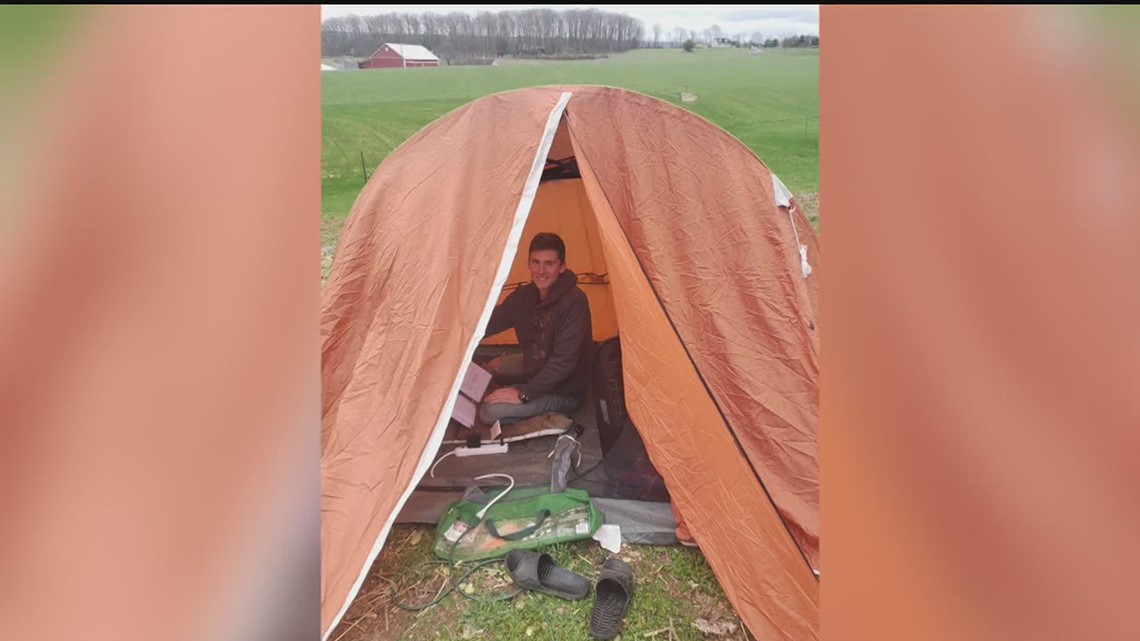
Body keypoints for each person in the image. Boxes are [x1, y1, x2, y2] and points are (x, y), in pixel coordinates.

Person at [479, 232, 593, 427]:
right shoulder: (524, 297)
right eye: (536, 262)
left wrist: (524, 394)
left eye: (549, 264)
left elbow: (563, 363)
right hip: (537, 363)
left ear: (562, 267)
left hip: (564, 389)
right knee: (492, 366)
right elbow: (490, 323)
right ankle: (519, 394)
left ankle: (547, 413)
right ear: (529, 264)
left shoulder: (574, 301)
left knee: (489, 411)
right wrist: (460, 336)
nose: (541, 271)